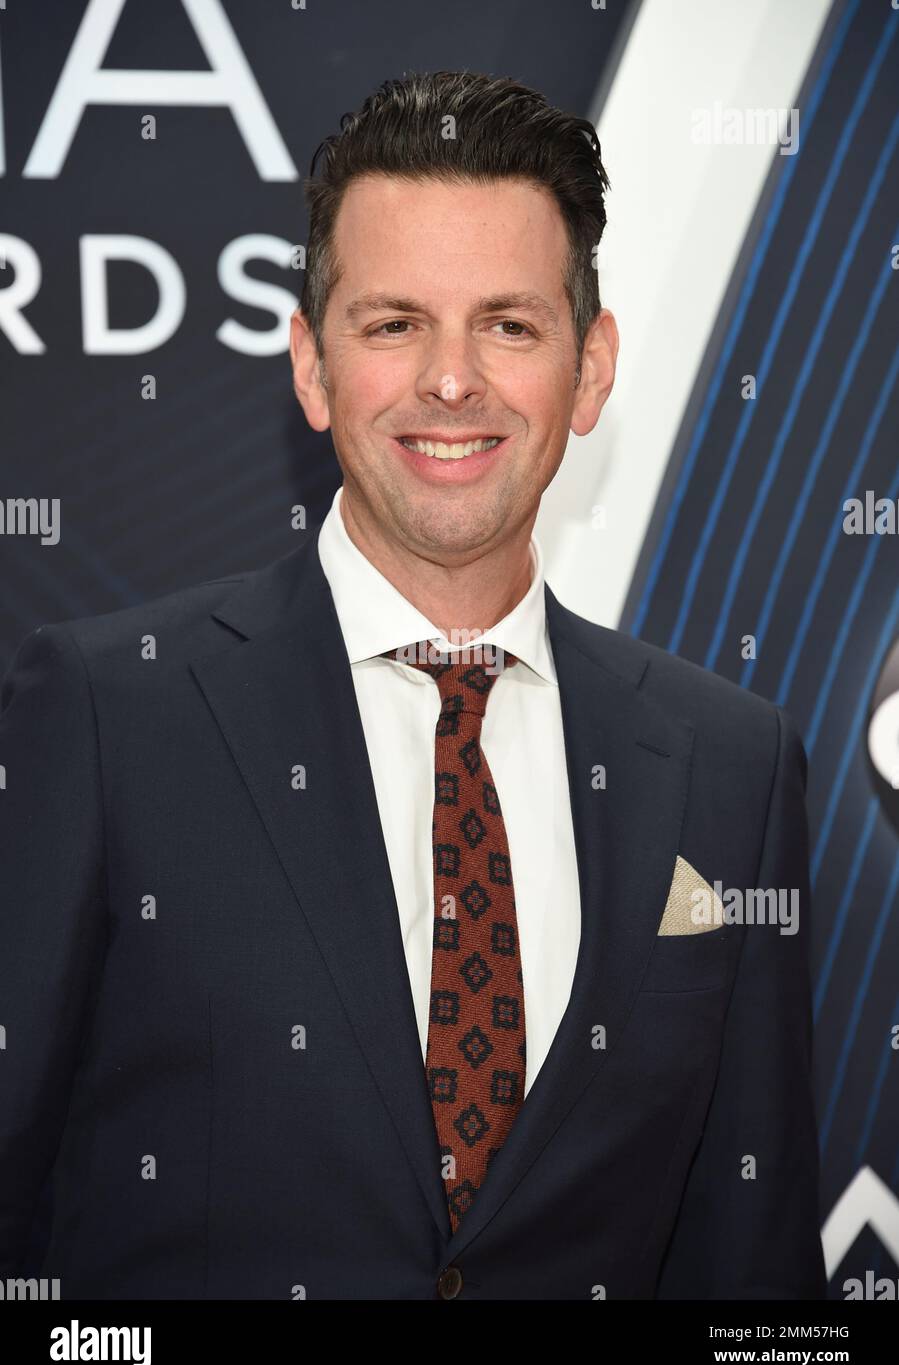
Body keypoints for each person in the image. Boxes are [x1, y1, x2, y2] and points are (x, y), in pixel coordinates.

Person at [0, 70, 826, 1300]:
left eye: (507, 323)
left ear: (589, 369)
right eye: (393, 324)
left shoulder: (729, 764)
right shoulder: (111, 713)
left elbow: (750, 1275)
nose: (451, 381)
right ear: (312, 367)